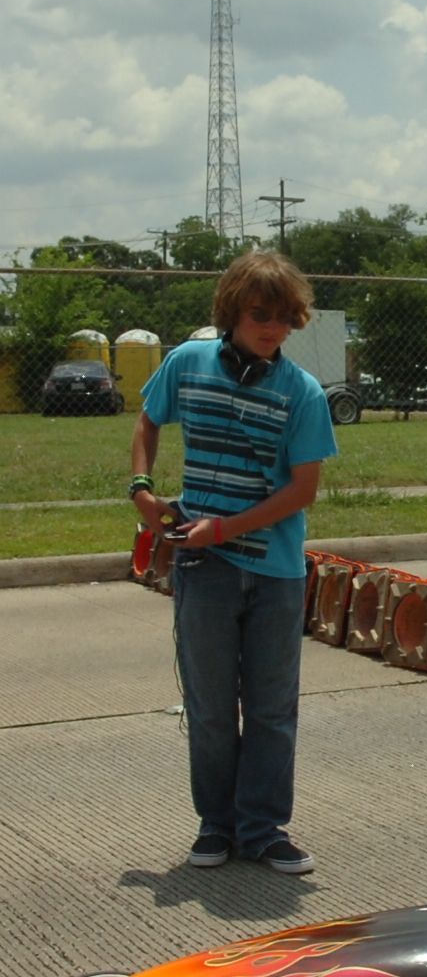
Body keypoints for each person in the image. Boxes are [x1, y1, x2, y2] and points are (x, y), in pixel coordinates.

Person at [128, 251, 338, 874]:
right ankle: (216, 824)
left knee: (272, 708)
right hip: (205, 571)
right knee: (212, 706)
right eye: (258, 315)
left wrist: (223, 528)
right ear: (231, 312)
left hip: (274, 572)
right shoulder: (187, 365)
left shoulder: (302, 393)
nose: (271, 328)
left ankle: (264, 827)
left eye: (282, 318)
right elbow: (148, 417)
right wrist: (141, 488)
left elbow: (302, 491)